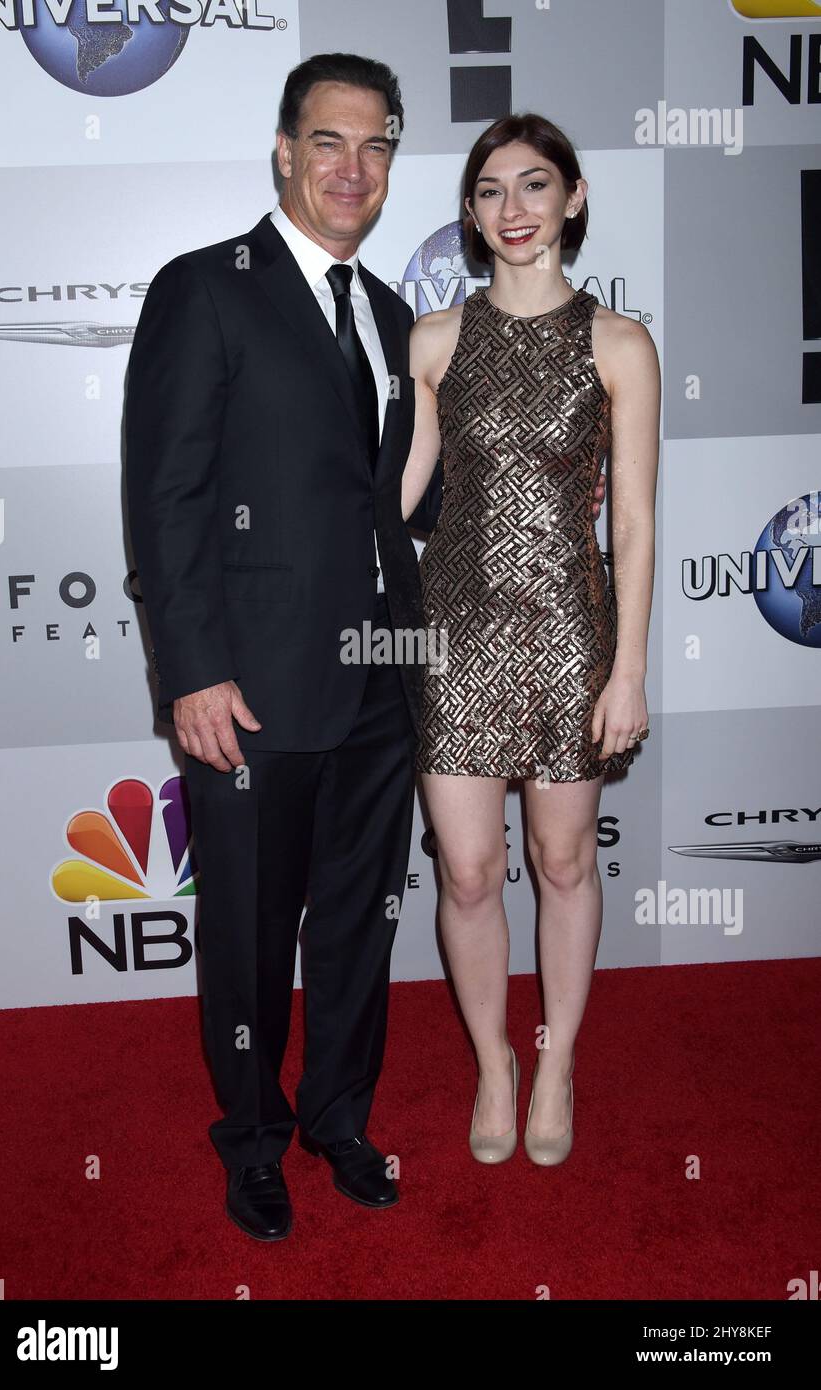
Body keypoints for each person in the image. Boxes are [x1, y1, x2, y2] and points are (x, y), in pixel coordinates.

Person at [125, 54, 430, 1242]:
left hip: (378, 674)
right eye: (327, 142)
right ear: (283, 152)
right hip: (246, 683)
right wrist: (190, 669)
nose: (352, 169)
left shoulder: (396, 316)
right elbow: (166, 494)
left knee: (358, 911)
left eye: (375, 147)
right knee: (249, 926)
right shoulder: (206, 288)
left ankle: (337, 1119)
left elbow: (399, 500)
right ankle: (251, 1136)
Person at [401, 113, 659, 1167]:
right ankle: (493, 1065)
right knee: (466, 872)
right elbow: (395, 501)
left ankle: (553, 1062)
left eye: (533, 185)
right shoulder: (432, 341)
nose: (513, 209)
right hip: (451, 636)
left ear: (573, 197)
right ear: (469, 215)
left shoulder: (618, 344)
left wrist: (627, 669)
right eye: (491, 191)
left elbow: (633, 524)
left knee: (559, 861)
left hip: (568, 636)